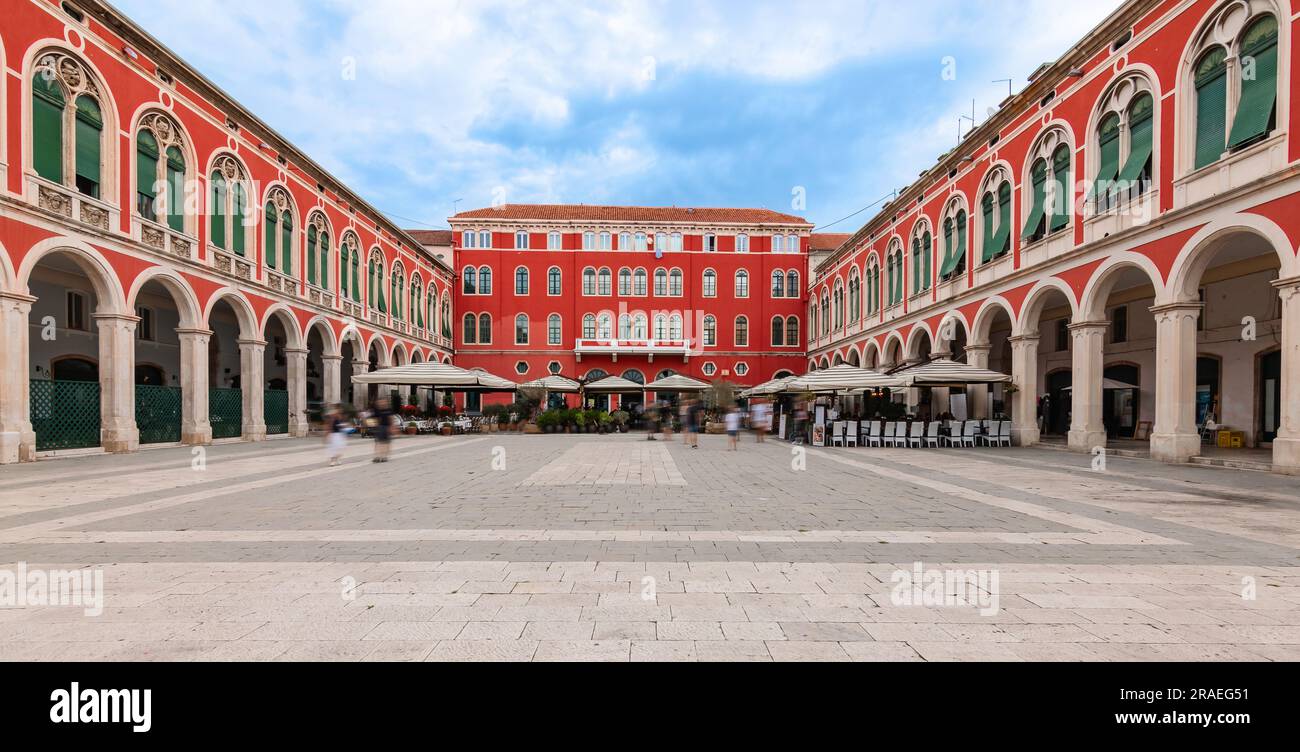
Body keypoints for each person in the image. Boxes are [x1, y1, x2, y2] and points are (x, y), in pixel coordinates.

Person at [372, 397, 395, 463]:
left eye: (383, 402)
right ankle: (377, 456)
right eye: (380, 402)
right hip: (380, 427)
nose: (382, 403)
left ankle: (384, 456)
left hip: (387, 427)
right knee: (378, 442)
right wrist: (376, 426)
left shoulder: (389, 410)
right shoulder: (377, 410)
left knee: (386, 442)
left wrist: (392, 427)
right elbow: (375, 419)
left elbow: (391, 418)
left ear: (386, 402)